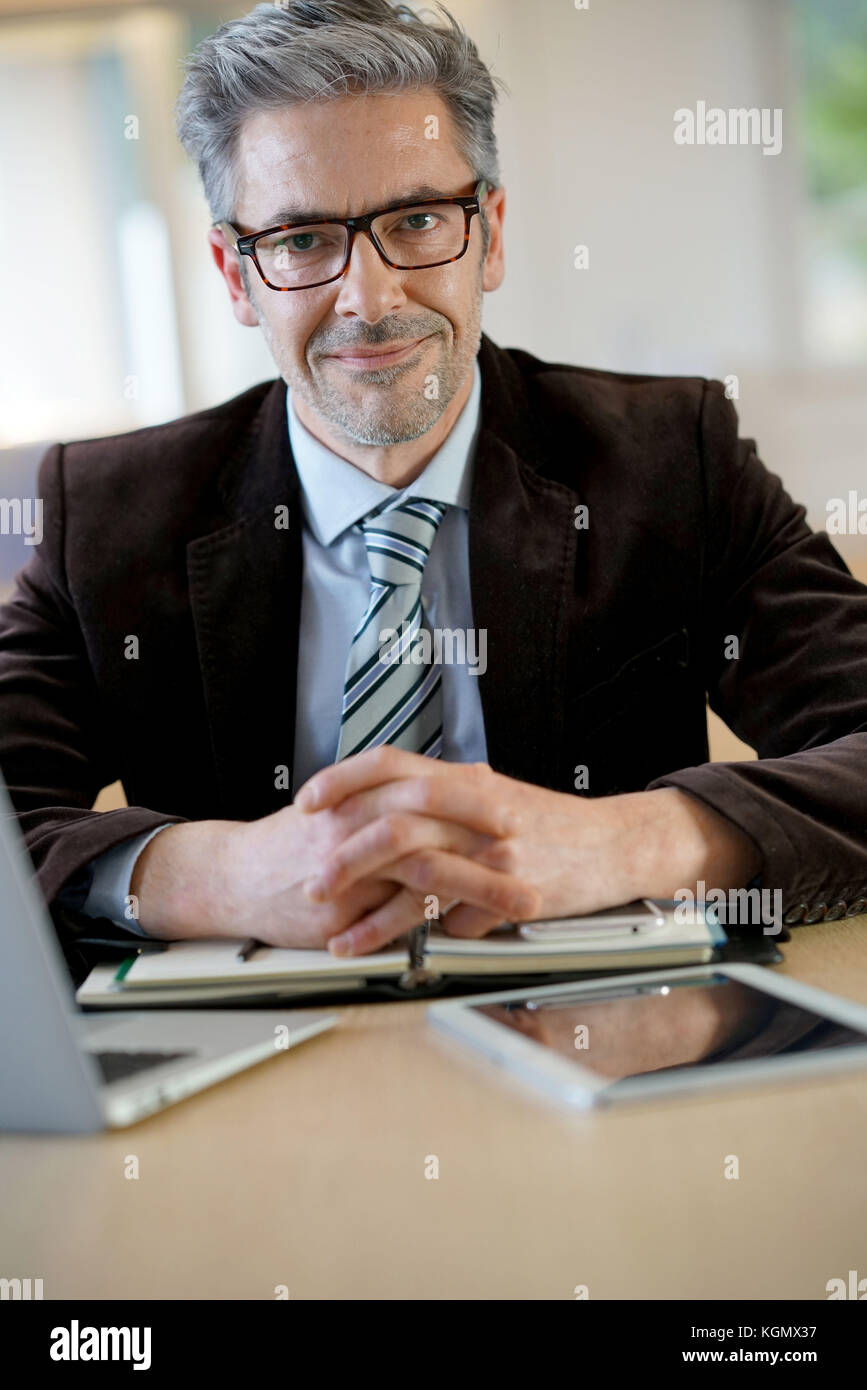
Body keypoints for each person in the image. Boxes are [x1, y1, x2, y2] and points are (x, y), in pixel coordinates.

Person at [2, 0, 866, 973]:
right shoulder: (111, 512)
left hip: (615, 1052)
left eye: (416, 220)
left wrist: (623, 841)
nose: (371, 301)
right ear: (233, 275)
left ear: (489, 234)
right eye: (300, 241)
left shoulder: (672, 462)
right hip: (248, 1071)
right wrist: (217, 873)